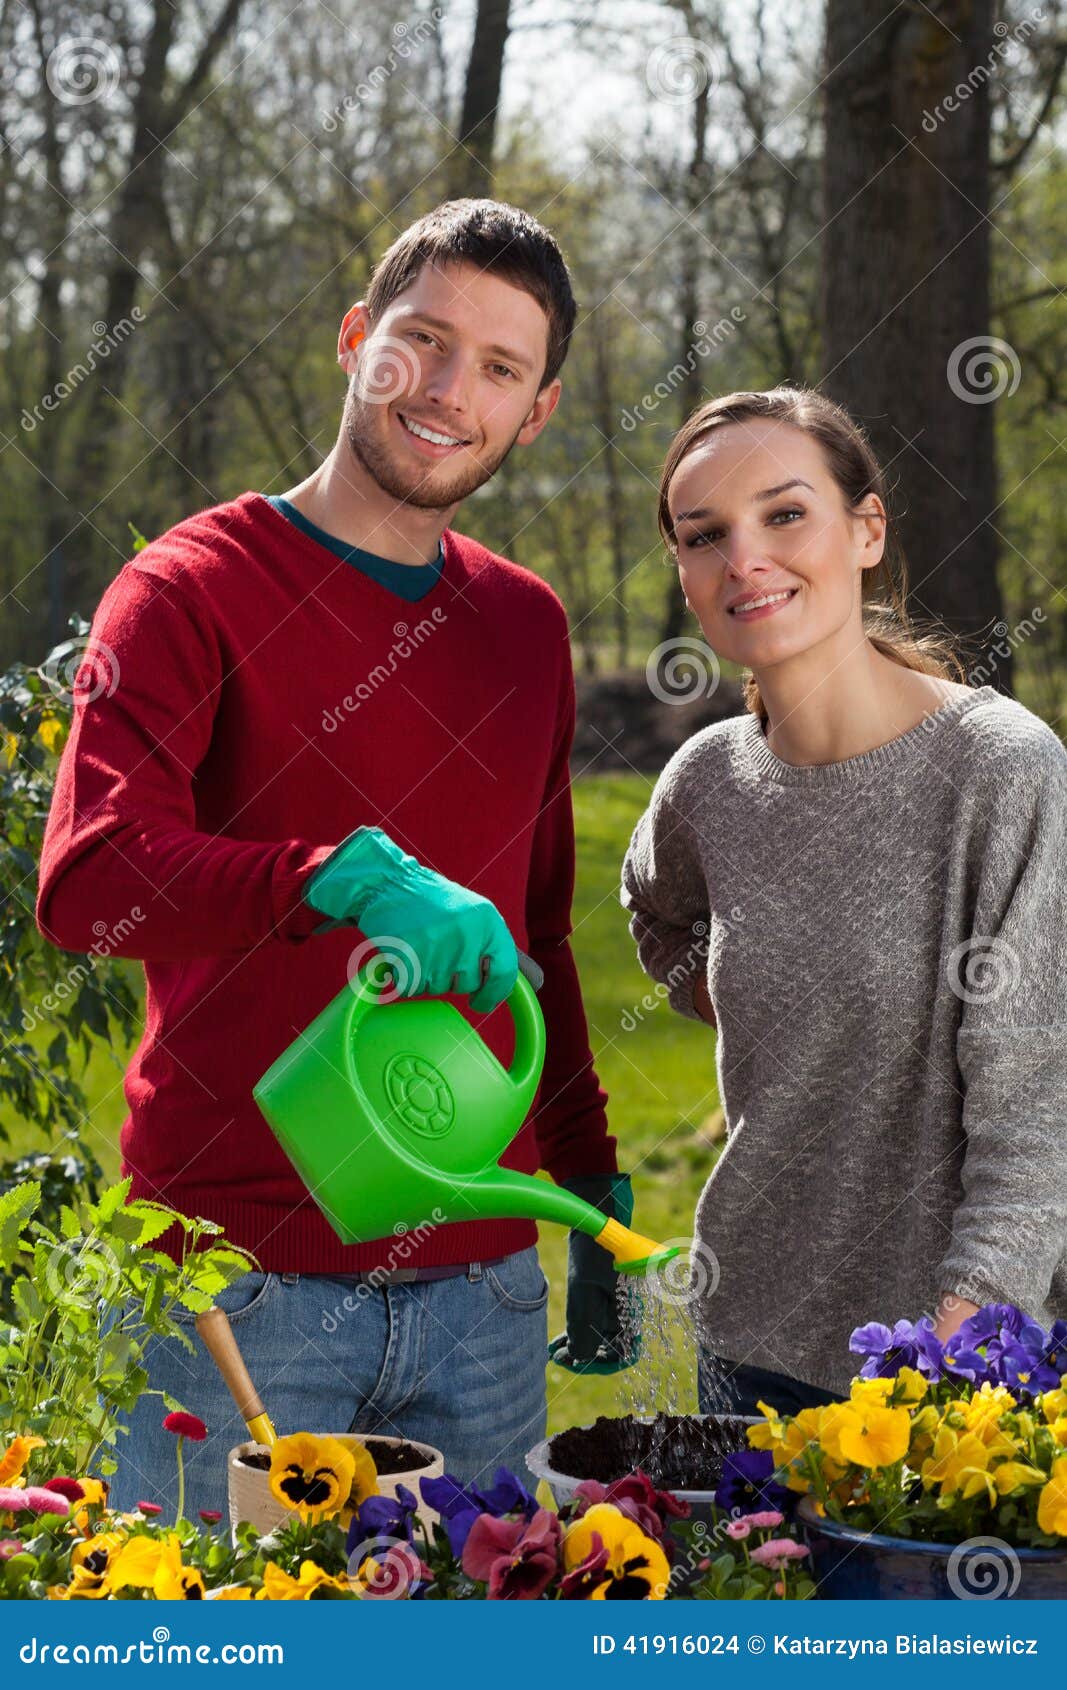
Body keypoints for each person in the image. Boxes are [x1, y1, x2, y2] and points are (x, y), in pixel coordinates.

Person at [36, 199, 637, 1517]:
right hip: (241, 1284)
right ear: (357, 339)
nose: (444, 391)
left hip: (482, 1291)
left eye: (496, 368)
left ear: (533, 412)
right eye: (419, 342)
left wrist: (583, 1177)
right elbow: (88, 884)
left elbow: (535, 935)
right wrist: (329, 877)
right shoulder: (191, 587)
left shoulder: (523, 627)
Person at [621, 385, 1067, 1419]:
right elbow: (655, 914)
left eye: (783, 514)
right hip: (748, 1343)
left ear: (864, 530)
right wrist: (748, 998)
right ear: (684, 576)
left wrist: (956, 1351)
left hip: (958, 1373)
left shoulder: (1000, 773)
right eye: (704, 536)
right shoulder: (705, 782)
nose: (744, 560)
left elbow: (1038, 1114)